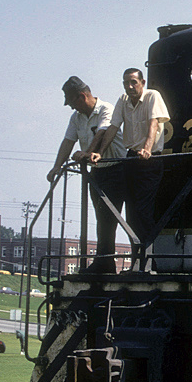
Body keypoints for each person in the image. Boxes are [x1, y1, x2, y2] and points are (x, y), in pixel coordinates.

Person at [48, 76, 127, 273]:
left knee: (109, 218)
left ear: (82, 96)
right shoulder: (76, 117)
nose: (71, 108)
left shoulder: (106, 109)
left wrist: (87, 152)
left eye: (72, 102)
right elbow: (68, 141)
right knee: (101, 217)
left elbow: (101, 133)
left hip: (117, 169)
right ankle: (104, 262)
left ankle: (107, 262)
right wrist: (56, 167)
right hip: (97, 173)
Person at [91, 68, 170, 261]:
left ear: (142, 82)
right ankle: (137, 260)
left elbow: (154, 123)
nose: (130, 86)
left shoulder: (153, 96)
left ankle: (149, 261)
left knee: (143, 211)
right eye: (126, 83)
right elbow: (113, 127)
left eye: (134, 82)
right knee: (131, 213)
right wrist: (99, 153)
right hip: (131, 159)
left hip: (150, 160)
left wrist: (147, 149)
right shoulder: (123, 100)